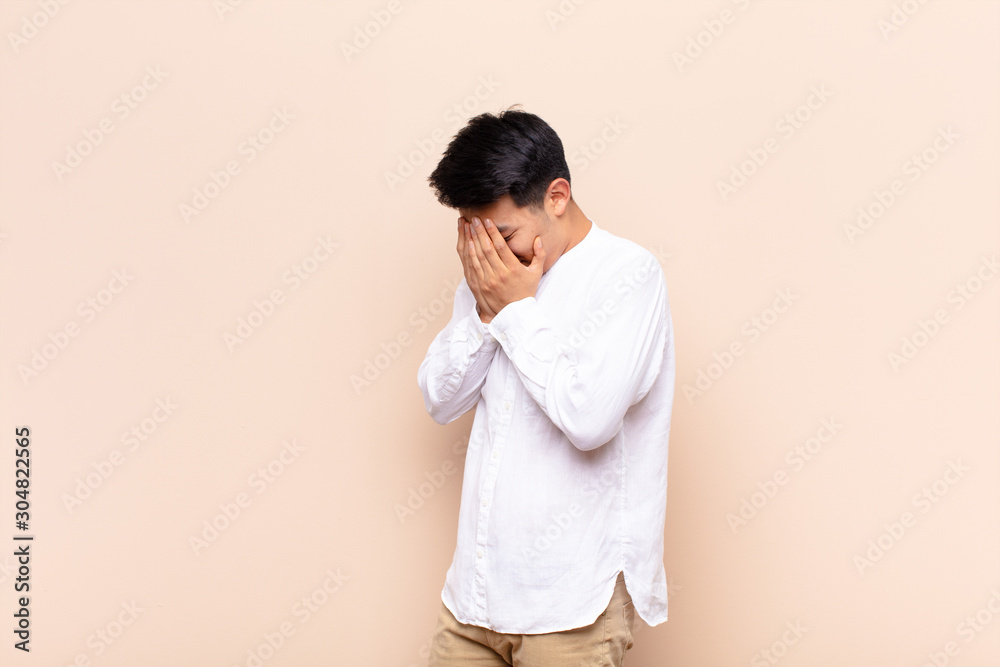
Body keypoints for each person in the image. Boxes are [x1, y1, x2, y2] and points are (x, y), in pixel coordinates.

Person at [417, 106, 675, 666]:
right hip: (474, 599)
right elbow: (440, 399)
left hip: (571, 604)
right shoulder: (494, 277)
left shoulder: (628, 275)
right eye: (476, 236)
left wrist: (513, 310)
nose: (491, 254)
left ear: (556, 196)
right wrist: (488, 312)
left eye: (504, 233)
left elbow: (589, 421)